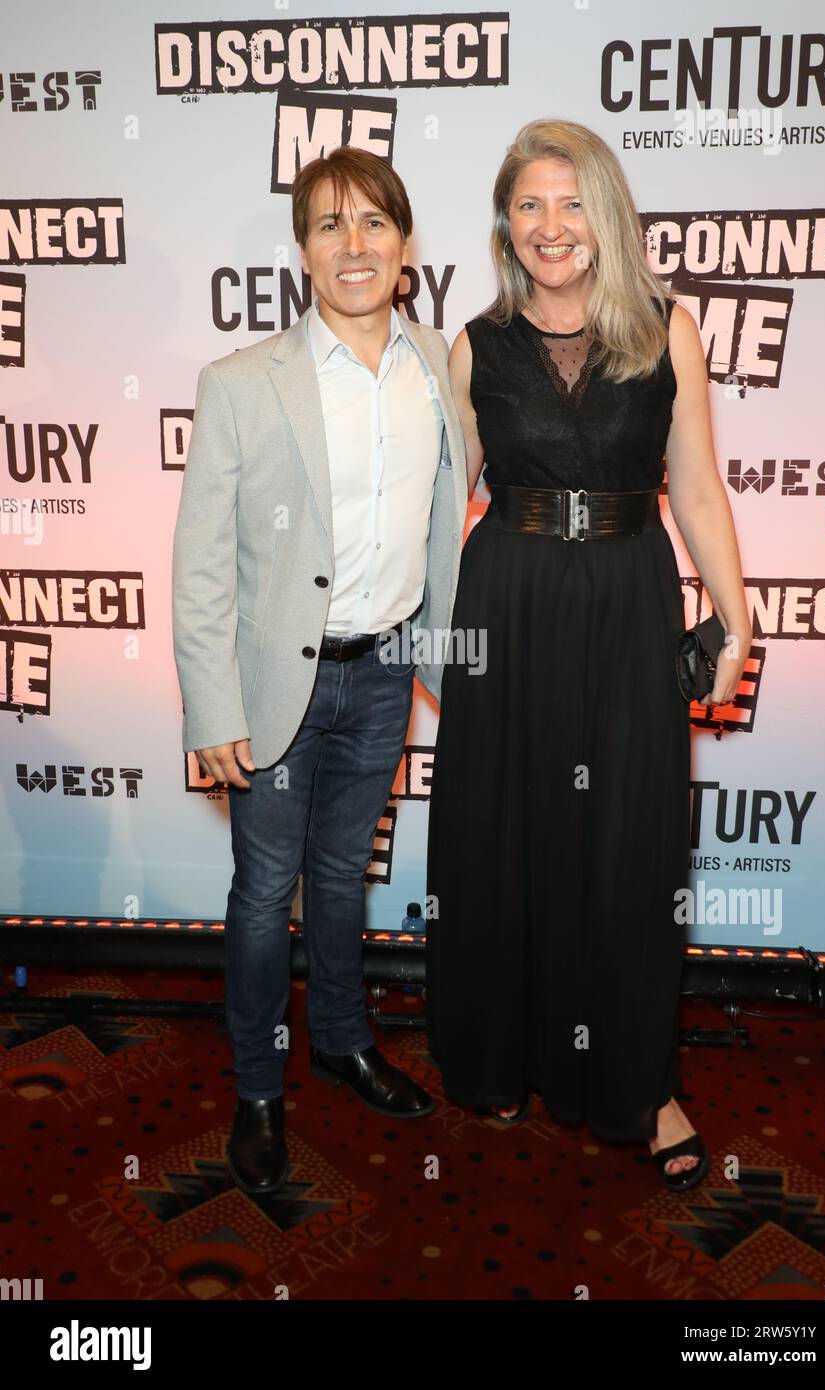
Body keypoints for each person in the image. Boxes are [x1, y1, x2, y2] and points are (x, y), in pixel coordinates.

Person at [425, 119, 750, 1192]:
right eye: (528, 205)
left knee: (627, 840)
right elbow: (437, 504)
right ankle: (505, 1052)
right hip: (504, 599)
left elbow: (693, 485)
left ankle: (637, 1082)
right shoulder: (475, 342)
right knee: (503, 822)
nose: (548, 226)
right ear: (503, 224)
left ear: (603, 214)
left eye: (568, 203)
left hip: (623, 598)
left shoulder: (668, 331)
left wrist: (735, 614)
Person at [172, 148, 467, 1196]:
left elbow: (451, 526)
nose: (354, 246)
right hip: (274, 690)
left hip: (386, 668)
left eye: (374, 224)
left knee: (343, 877)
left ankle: (340, 1043)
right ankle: (258, 1088)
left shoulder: (443, 365)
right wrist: (212, 705)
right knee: (264, 894)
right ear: (302, 249)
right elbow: (201, 561)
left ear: (404, 245)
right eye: (329, 225)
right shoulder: (240, 384)